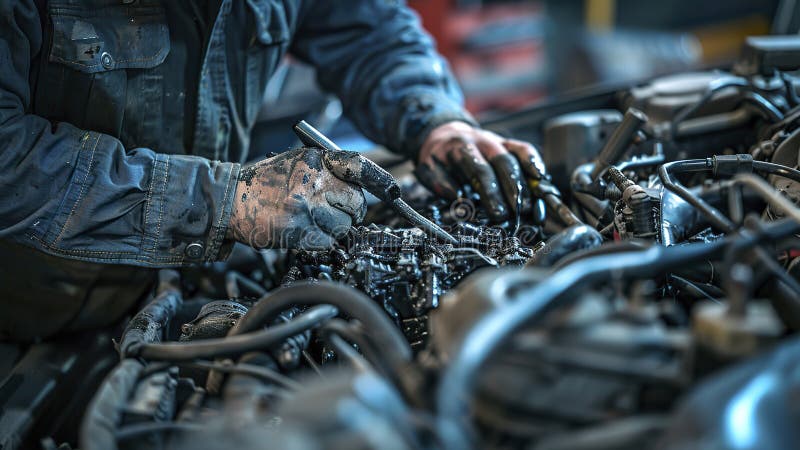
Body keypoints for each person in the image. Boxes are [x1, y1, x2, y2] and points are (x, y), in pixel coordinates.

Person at [0, 0, 548, 340]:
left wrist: (435, 121)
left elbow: (370, 30)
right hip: (25, 315)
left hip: (172, 286)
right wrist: (220, 201)